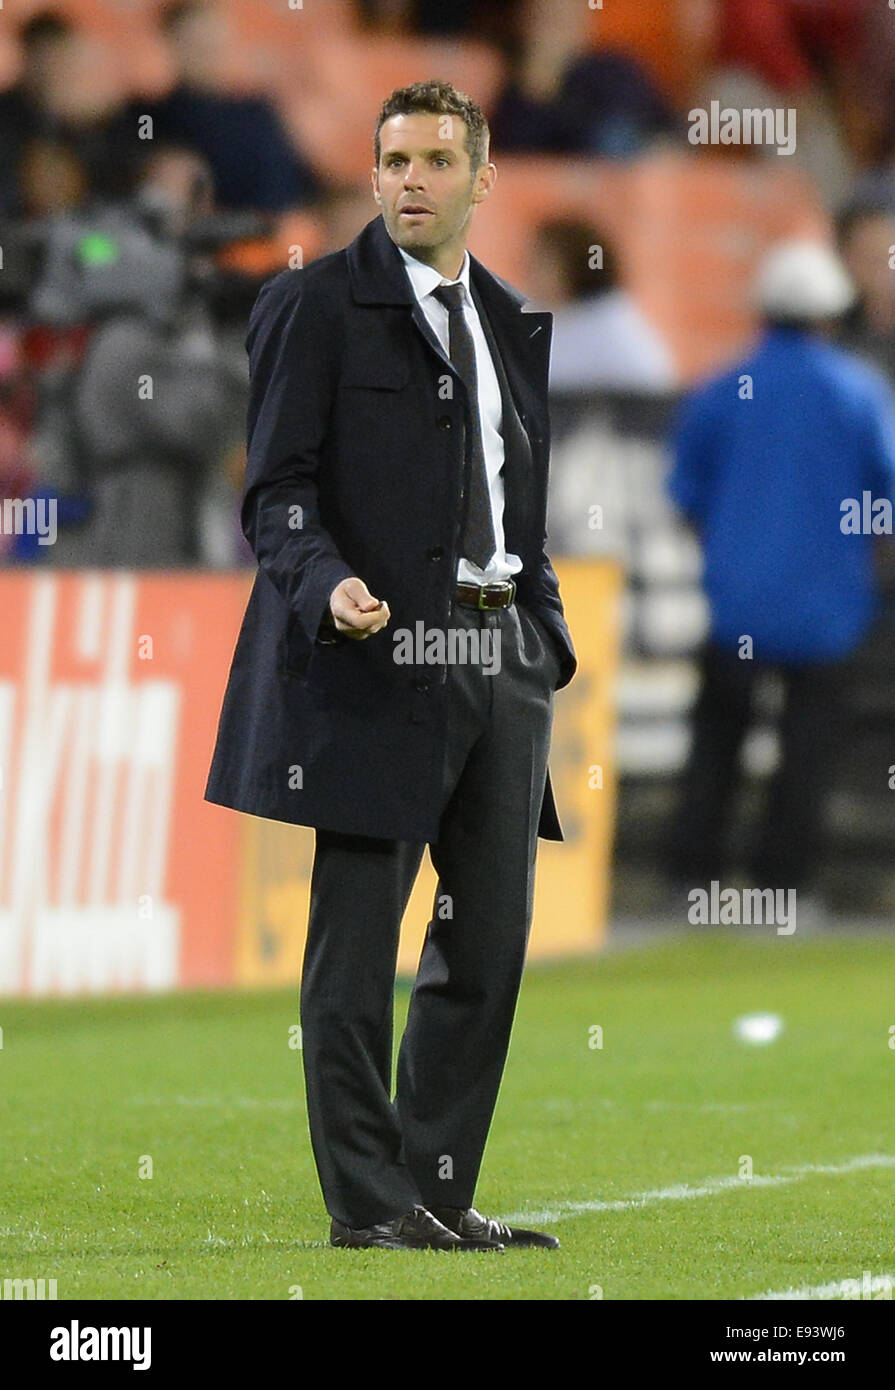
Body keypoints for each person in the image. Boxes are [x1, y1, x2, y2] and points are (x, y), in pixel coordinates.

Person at [205, 80, 576, 1252]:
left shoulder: (511, 320)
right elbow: (273, 493)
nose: (410, 179)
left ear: (482, 179)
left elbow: (522, 502)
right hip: (375, 660)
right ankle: (368, 1203)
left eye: (434, 159)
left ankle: (440, 1189)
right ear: (371, 177)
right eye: (393, 159)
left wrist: (541, 636)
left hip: (496, 655)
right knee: (357, 946)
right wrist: (328, 587)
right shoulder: (315, 304)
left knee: (488, 939)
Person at [666, 239, 895, 905]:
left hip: (735, 605)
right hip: (828, 612)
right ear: (830, 316)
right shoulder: (857, 393)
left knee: (715, 742)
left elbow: (686, 493)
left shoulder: (721, 390)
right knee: (806, 750)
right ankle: (782, 885)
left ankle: (693, 877)